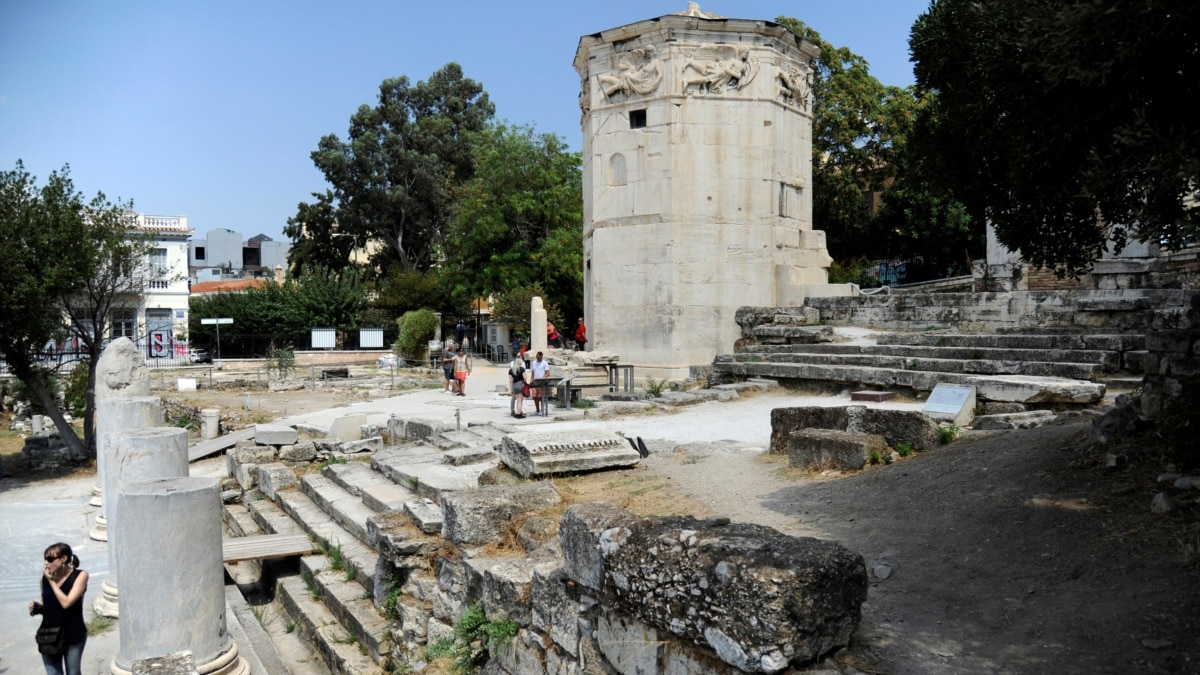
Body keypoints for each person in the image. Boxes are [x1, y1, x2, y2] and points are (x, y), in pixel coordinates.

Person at [29, 542, 89, 675]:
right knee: (53, 673)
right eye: (45, 559)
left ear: (64, 559)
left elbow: (66, 603)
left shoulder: (80, 576)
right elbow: (47, 604)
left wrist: (52, 581)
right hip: (50, 635)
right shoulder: (43, 579)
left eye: (50, 559)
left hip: (73, 634)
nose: (46, 563)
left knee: (73, 672)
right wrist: (37, 607)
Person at [508, 353, 527, 418]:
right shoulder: (522, 369)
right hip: (520, 384)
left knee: (517, 400)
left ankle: (517, 412)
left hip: (514, 385)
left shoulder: (511, 370)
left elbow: (510, 381)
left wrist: (511, 389)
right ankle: (519, 414)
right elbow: (525, 378)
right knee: (520, 400)